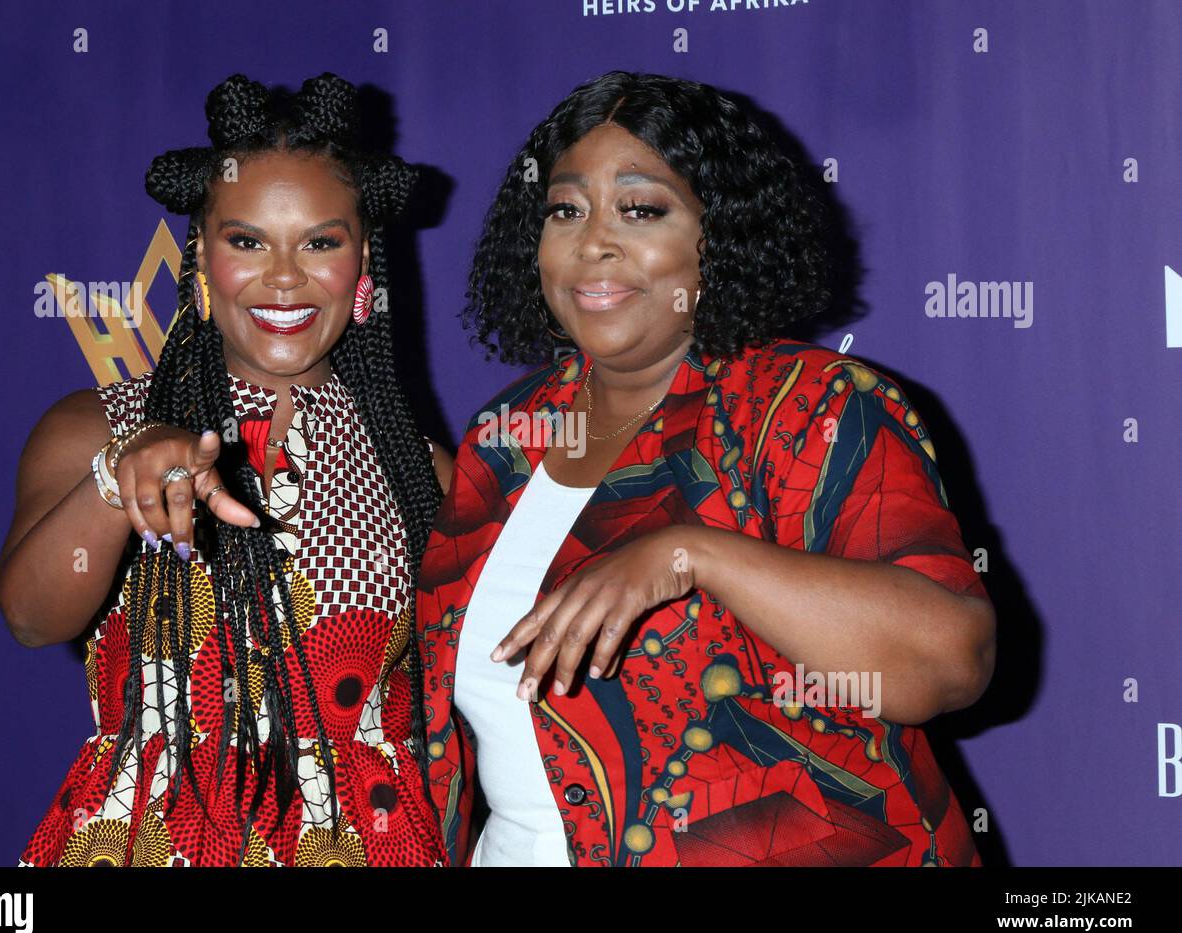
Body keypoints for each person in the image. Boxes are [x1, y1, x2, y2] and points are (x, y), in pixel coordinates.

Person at [416, 71, 996, 867]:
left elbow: (949, 663)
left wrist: (691, 555)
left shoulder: (810, 408)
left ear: (716, 238)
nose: (594, 242)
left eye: (641, 209)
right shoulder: (504, 437)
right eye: (565, 209)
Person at [0, 73, 453, 867]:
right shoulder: (96, 426)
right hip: (147, 843)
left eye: (320, 241)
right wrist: (116, 482)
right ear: (200, 255)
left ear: (364, 258)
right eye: (247, 241)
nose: (283, 276)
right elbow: (32, 620)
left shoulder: (426, 473)